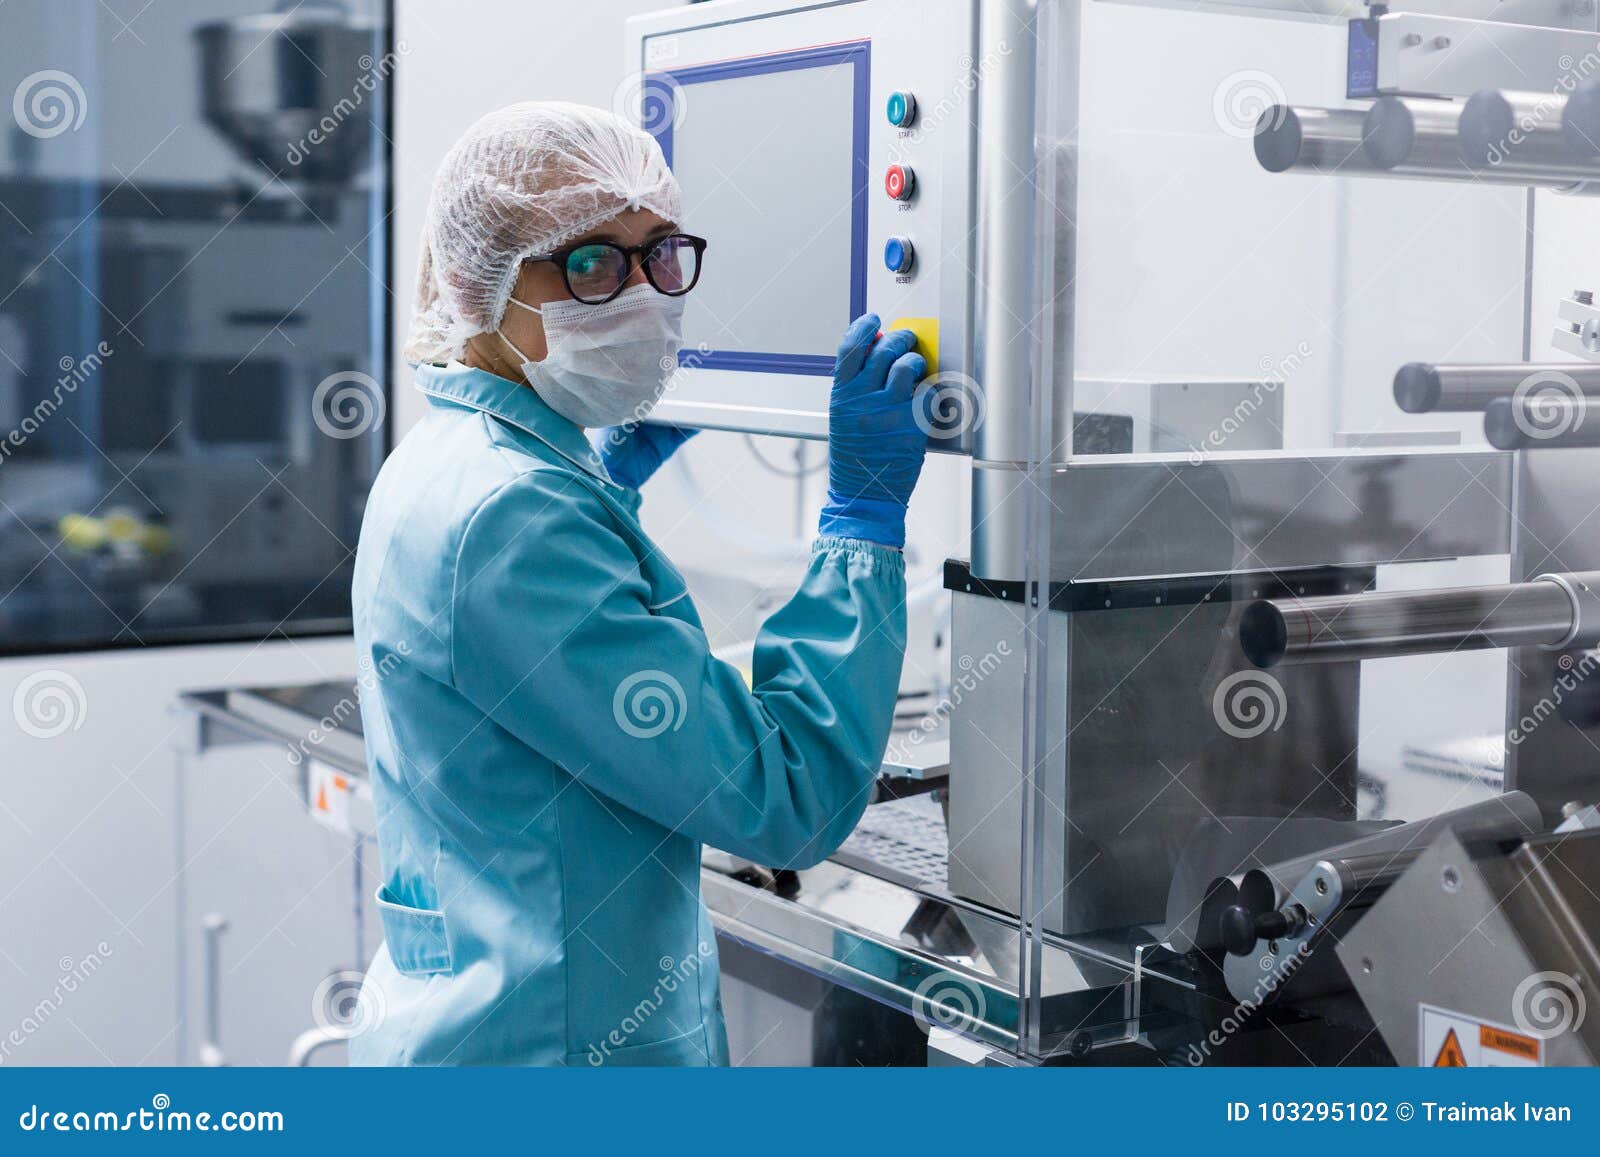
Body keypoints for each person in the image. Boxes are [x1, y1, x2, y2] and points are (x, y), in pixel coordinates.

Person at [350, 101, 927, 1066]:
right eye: (591, 263)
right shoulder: (515, 515)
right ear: (476, 280)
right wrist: (860, 524)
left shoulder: (449, 458)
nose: (643, 297)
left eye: (659, 253)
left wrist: (602, 480)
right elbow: (789, 798)